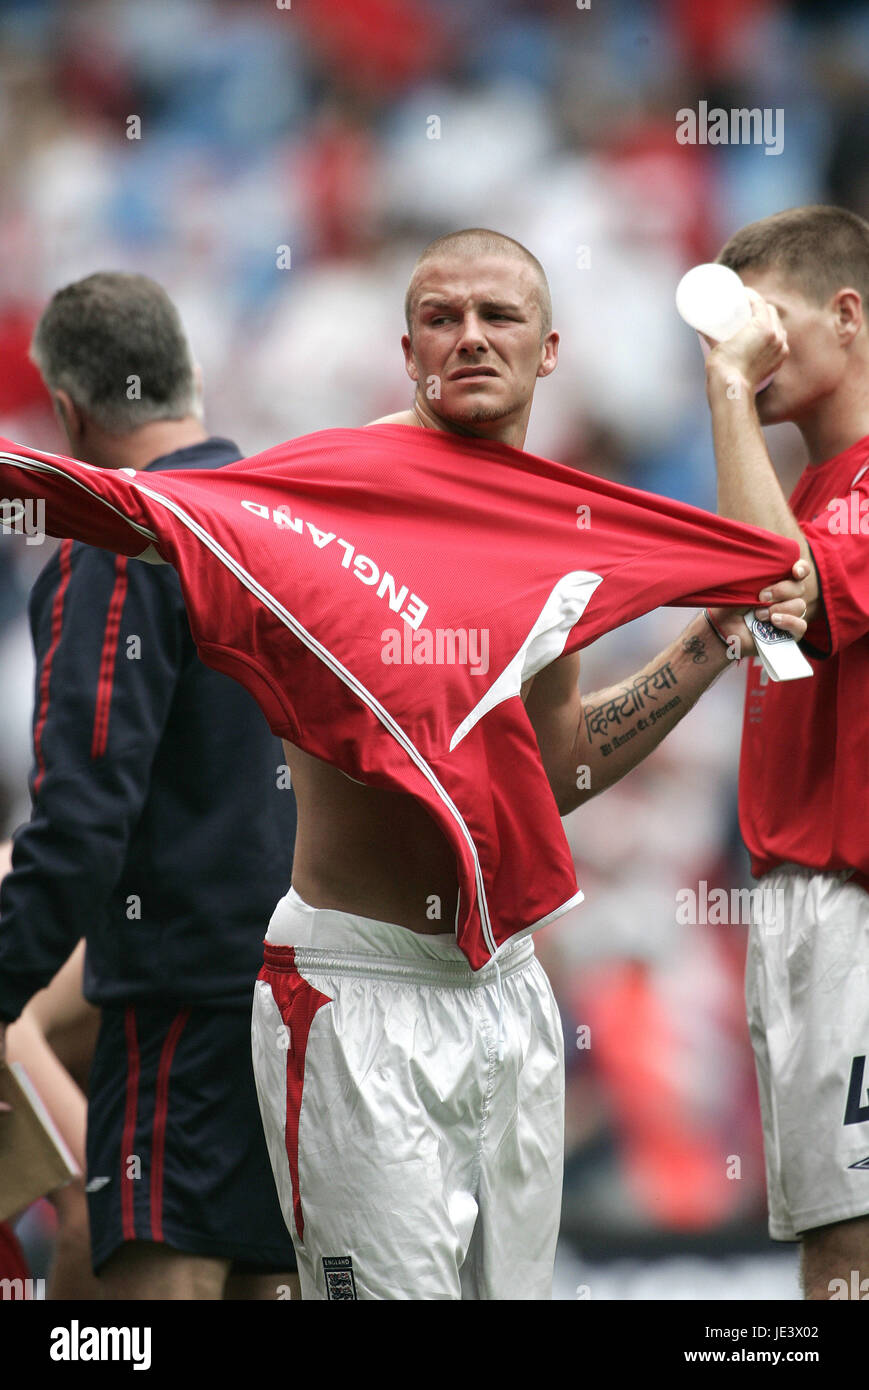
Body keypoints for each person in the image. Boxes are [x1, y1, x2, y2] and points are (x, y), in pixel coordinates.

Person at [0, 232, 809, 1300]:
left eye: (498, 316)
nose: (470, 337)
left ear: (550, 349)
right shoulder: (332, 489)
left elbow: (558, 765)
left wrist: (708, 641)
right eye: (442, 317)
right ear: (406, 346)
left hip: (506, 991)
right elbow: (139, 515)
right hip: (353, 993)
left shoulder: (552, 518)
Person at [0, 273, 299, 1300]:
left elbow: (81, 825)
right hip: (312, 1009)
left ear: (70, 413)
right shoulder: (285, 528)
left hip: (184, 1017)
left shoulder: (121, 542)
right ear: (194, 379)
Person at [701, 205, 869, 1301]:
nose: (742, 353)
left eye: (762, 322)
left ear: (845, 315)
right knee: (832, 1242)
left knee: (848, 1251)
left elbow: (779, 591)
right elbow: (777, 638)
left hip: (852, 900)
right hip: (800, 906)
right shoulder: (800, 493)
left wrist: (723, 394)